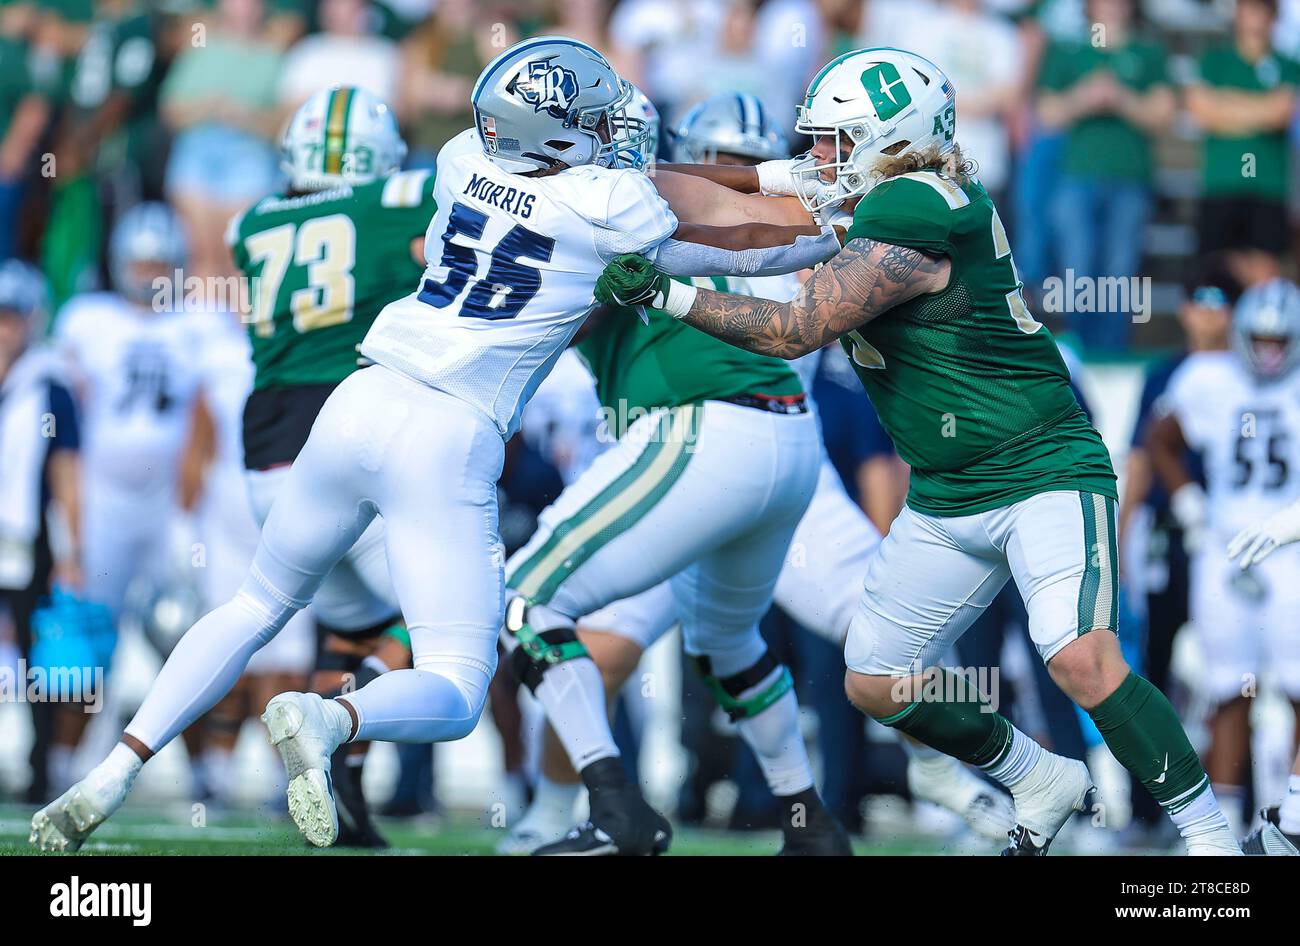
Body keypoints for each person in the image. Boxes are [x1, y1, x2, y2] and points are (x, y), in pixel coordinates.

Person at [30, 36, 839, 854]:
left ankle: (114, 770)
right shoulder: (610, 208)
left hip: (361, 397)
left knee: (255, 605)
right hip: (447, 435)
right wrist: (834, 213)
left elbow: (648, 185)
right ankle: (333, 718)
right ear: (560, 132)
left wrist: (773, 177)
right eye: (593, 121)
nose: (608, 134)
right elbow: (751, 239)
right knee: (457, 688)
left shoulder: (460, 159)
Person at [595, 46, 1243, 855]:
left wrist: (665, 290)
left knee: (1082, 658)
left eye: (834, 139)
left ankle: (1212, 841)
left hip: (1039, 469)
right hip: (946, 490)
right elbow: (732, 204)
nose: (817, 156)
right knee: (876, 679)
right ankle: (1035, 774)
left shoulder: (918, 204)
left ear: (890, 137)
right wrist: (614, 185)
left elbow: (796, 328)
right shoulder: (876, 193)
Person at [500, 91, 1013, 855]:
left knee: (889, 638)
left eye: (744, 164)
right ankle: (571, 811)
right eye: (717, 162)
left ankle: (956, 784)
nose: (730, 175)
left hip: (705, 443)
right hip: (741, 450)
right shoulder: (732, 218)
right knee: (674, 649)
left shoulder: (750, 217)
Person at [1148, 278, 1300, 840]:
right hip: (1227, 548)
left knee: (1297, 684)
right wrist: (1188, 503)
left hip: (1291, 548)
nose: (1269, 350)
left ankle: (1292, 819)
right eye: (1260, 338)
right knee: (1228, 688)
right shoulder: (1208, 378)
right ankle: (1227, 822)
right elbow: (1160, 438)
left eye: (1279, 340)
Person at [0, 260, 81, 804]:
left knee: (41, 660)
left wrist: (74, 549)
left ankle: (39, 766)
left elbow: (66, 471)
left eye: (13, 317)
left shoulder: (49, 386)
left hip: (28, 539)